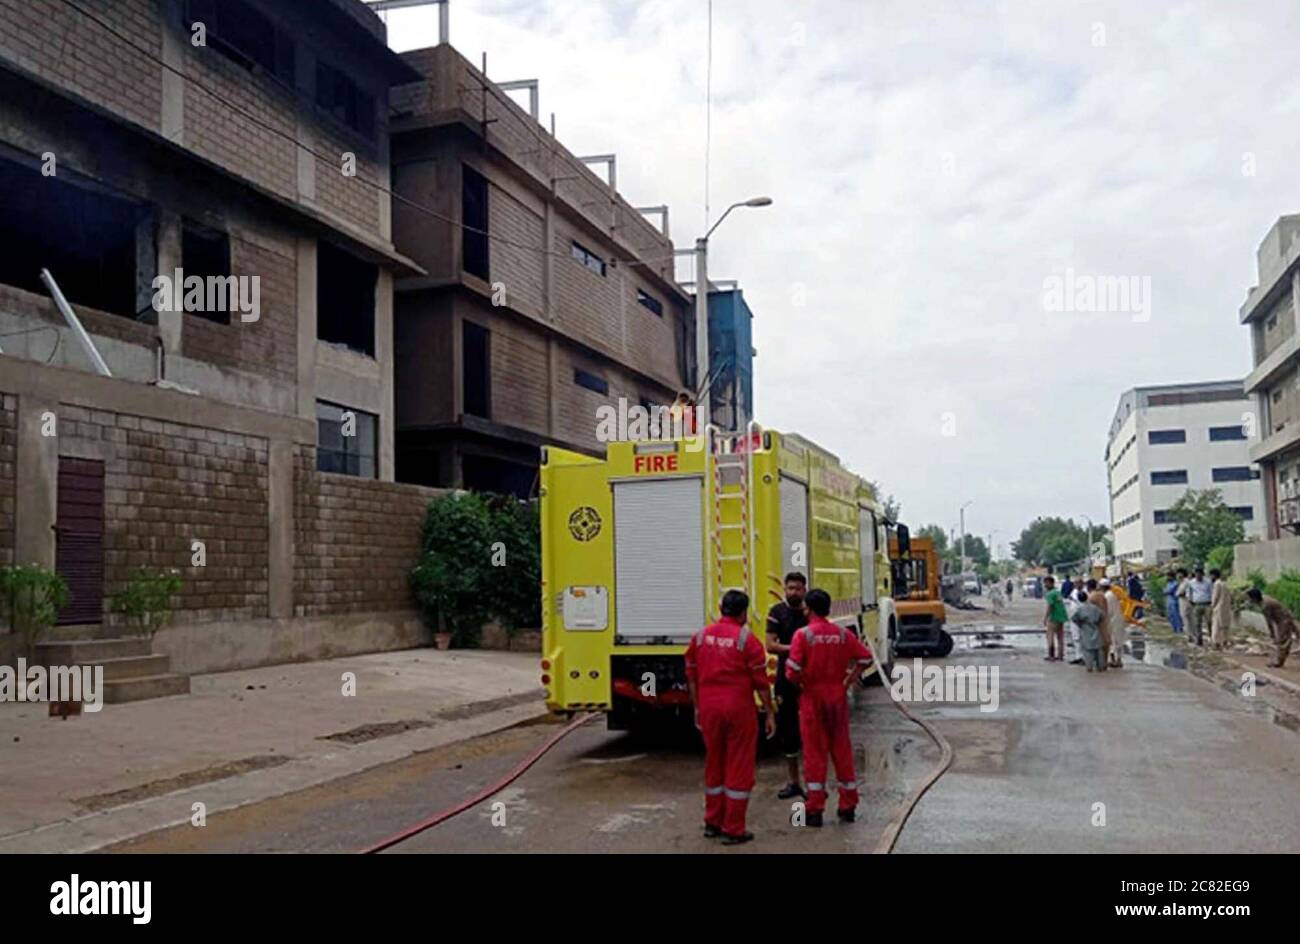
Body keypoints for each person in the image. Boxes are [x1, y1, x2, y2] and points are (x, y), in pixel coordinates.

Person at [685, 589, 776, 845]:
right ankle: (733, 828)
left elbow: (691, 675)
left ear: (721, 607)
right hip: (738, 709)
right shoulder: (748, 641)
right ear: (744, 613)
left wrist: (697, 707)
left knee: (714, 762)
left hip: (709, 707)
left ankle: (712, 822)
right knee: (739, 765)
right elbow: (761, 683)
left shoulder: (700, 637)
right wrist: (769, 712)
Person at [784, 588, 874, 827]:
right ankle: (848, 806)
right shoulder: (843, 634)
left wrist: (803, 681)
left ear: (808, 609)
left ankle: (813, 810)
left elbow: (791, 672)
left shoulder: (802, 635)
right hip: (837, 697)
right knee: (842, 751)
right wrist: (848, 679)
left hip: (812, 699)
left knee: (815, 754)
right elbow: (866, 659)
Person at [766, 572, 809, 800]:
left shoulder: (809, 612)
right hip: (785, 679)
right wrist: (796, 648)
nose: (793, 592)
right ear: (784, 589)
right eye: (790, 588)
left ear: (805, 589)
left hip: (809, 680)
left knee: (812, 731)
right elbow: (770, 645)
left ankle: (814, 783)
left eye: (798, 588)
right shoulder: (777, 612)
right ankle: (793, 781)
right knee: (788, 731)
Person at [1247, 587, 1300, 668]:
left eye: (1250, 598)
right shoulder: (1264, 598)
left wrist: (1272, 634)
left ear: (1254, 598)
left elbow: (1269, 622)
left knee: (1282, 642)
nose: (1249, 600)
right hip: (1287, 616)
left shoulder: (1265, 606)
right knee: (1297, 635)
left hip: (1283, 620)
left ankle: (1278, 662)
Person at [1070, 588, 1107, 671]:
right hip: (1095, 628)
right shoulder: (1095, 608)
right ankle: (1100, 667)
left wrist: (1081, 624)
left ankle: (1089, 667)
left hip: (1085, 629)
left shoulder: (1079, 609)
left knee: (1088, 650)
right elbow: (1102, 616)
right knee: (1098, 650)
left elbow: (1074, 619)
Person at [1086, 578, 1110, 671]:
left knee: (1094, 643)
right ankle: (1104, 663)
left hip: (1095, 622)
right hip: (1104, 620)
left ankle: (1097, 664)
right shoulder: (1102, 595)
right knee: (1105, 641)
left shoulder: (1091, 597)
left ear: (1088, 587)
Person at [1102, 578, 1126, 668]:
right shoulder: (1112, 594)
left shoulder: (1107, 596)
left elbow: (1107, 611)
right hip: (1118, 619)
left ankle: (1115, 660)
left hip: (1112, 620)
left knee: (1113, 640)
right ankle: (1118, 659)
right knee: (1118, 640)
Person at [1185, 568, 1213, 646]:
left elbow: (1212, 592)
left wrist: (1212, 603)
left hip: (1207, 604)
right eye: (1196, 574)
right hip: (1196, 604)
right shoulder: (1191, 583)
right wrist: (1190, 601)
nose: (1198, 576)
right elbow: (1188, 593)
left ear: (1202, 574)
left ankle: (1211, 637)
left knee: (1209, 621)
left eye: (1199, 574)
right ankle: (1199, 639)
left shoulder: (1208, 582)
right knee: (1197, 623)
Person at [1042, 575, 1067, 661]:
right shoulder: (1057, 592)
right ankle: (1060, 655)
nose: (1045, 585)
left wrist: (1045, 618)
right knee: (1060, 637)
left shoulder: (1050, 594)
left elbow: (1050, 606)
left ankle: (1051, 655)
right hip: (1061, 617)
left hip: (1054, 617)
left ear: (1050, 583)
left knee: (1050, 636)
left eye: (1046, 583)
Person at [1209, 569, 1232, 650]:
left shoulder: (1217, 584)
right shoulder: (1225, 584)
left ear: (1214, 575)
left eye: (1211, 575)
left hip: (1218, 608)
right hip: (1226, 608)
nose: (1210, 577)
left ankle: (1216, 643)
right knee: (1225, 626)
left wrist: (1212, 606)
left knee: (1216, 626)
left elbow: (1215, 597)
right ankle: (1225, 641)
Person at [1176, 568, 1193, 638]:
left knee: (1187, 619)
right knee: (1185, 618)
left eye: (1179, 573)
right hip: (1182, 602)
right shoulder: (1181, 582)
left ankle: (1190, 635)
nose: (1178, 575)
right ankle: (1189, 634)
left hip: (1186, 602)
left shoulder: (1186, 582)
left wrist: (1180, 594)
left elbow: (1185, 593)